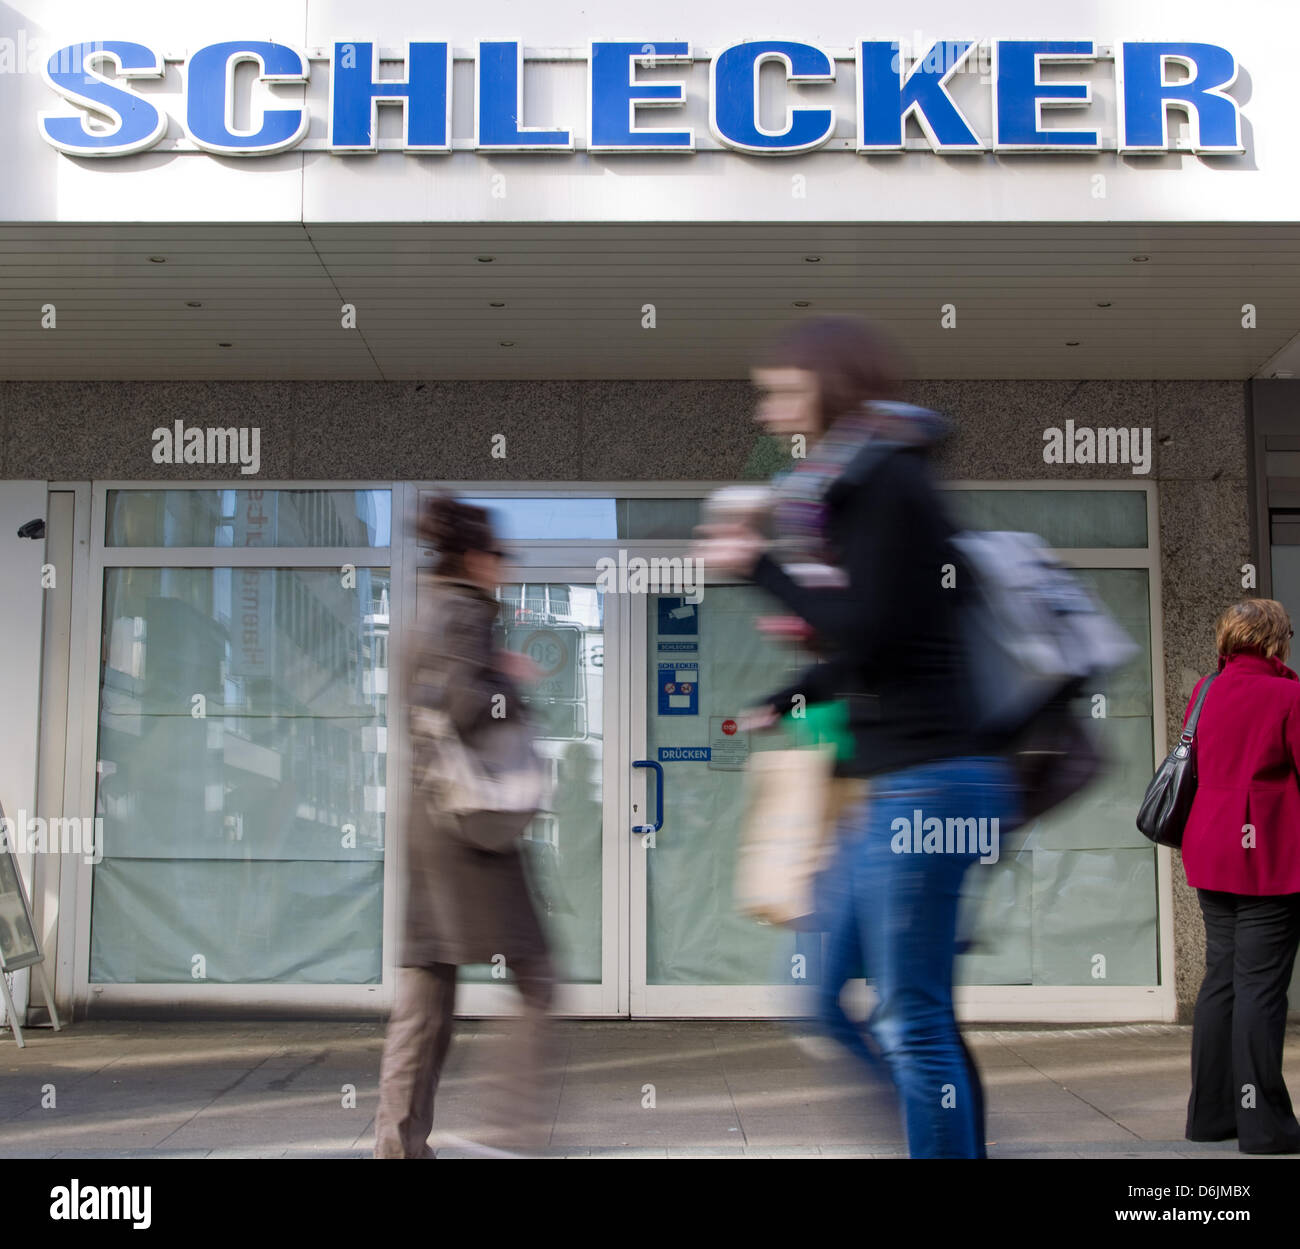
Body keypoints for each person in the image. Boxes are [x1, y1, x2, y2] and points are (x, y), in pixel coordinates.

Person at [696, 315, 1018, 1159]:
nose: (767, 414)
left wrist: (758, 567)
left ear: (829, 384)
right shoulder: (858, 485)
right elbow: (882, 642)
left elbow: (869, 630)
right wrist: (789, 699)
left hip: (932, 781)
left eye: (780, 392)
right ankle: (950, 1136)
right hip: (899, 782)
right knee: (823, 999)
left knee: (911, 1017)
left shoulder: (887, 481)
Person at [373, 495, 554, 1159]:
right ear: (476, 557)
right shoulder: (465, 611)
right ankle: (513, 1131)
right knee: (538, 978)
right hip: (471, 835)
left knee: (425, 997)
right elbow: (466, 707)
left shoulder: (423, 609)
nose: (506, 567)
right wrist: (510, 677)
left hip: (430, 828)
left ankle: (399, 1146)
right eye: (501, 555)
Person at [1182, 598, 1300, 1154]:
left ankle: (1211, 1118)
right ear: (1276, 639)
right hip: (1268, 858)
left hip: (1211, 850)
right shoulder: (1289, 696)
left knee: (1221, 982)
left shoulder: (1204, 693)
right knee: (1259, 989)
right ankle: (1263, 1127)